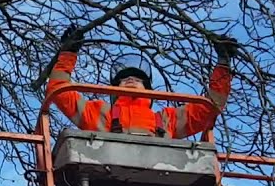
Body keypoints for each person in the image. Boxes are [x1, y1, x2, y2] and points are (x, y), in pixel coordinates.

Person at [45, 25, 238, 138]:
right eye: (124, 79)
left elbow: (210, 107)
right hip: (105, 180)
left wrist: (223, 64)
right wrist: (68, 54)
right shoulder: (99, 114)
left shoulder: (166, 120)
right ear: (114, 89)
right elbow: (59, 91)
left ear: (148, 89)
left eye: (138, 79)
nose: (130, 80)